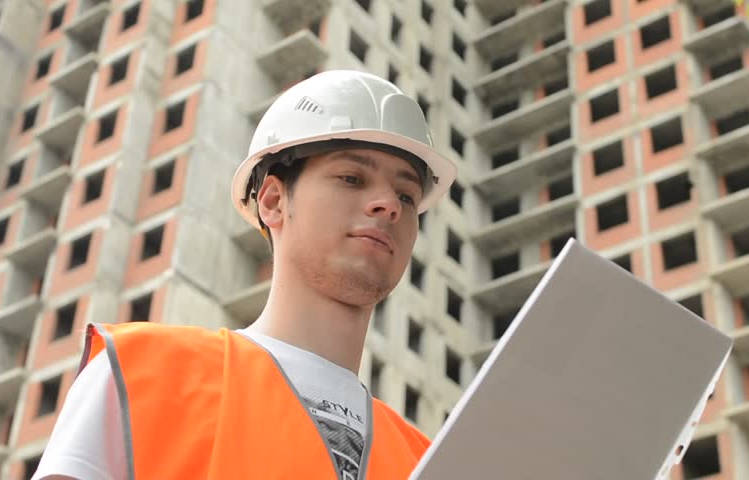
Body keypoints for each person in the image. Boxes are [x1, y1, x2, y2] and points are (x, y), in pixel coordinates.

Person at [32, 70, 457, 480]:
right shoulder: (140, 376)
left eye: (407, 195)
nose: (389, 205)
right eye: (352, 178)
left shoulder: (430, 459)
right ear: (273, 201)